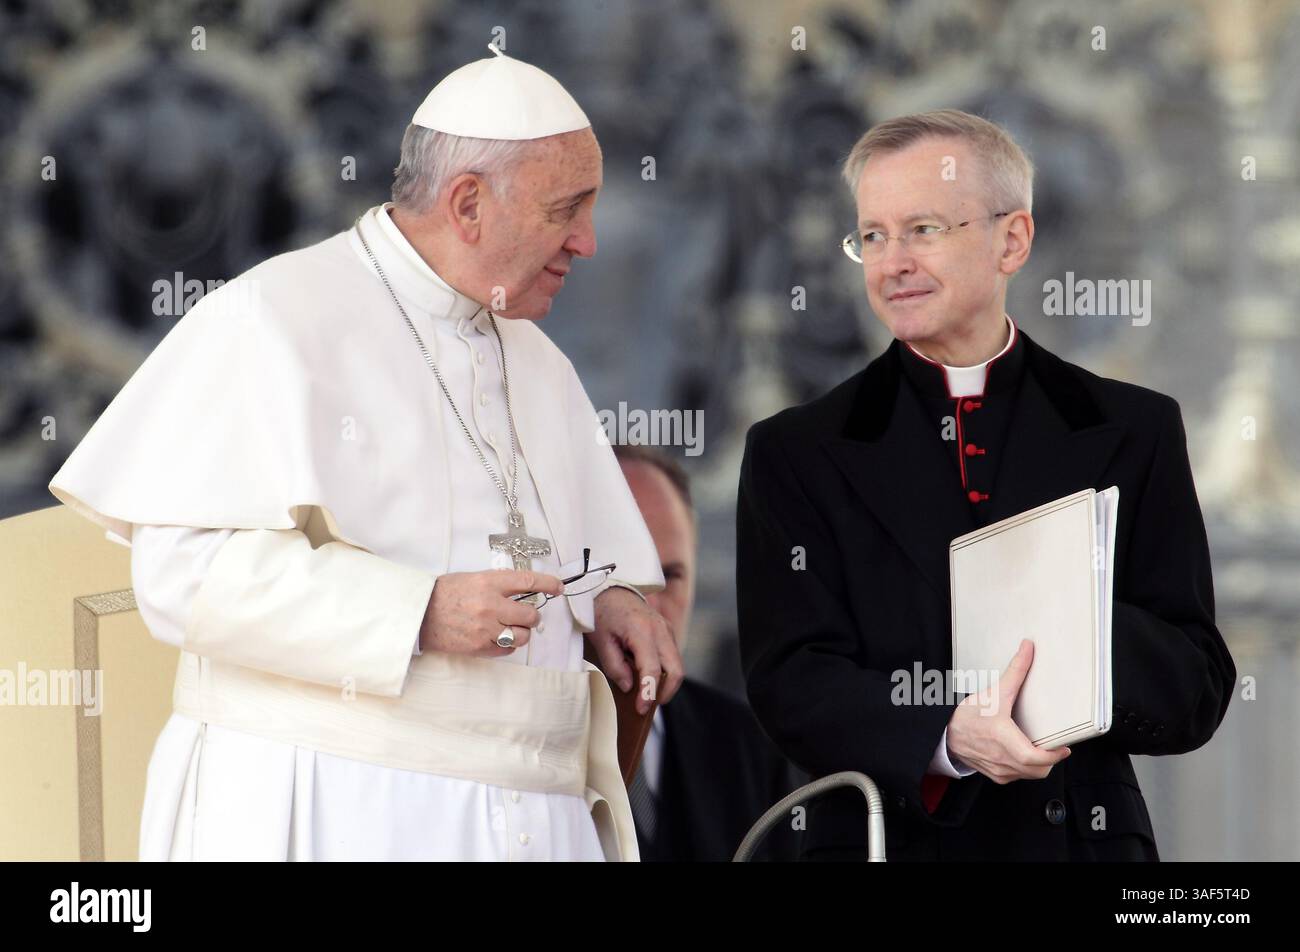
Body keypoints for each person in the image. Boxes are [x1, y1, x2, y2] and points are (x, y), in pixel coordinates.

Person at [47, 46, 683, 862]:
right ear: (468, 203)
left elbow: (584, 554)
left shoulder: (537, 361)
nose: (587, 242)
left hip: (530, 816)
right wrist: (417, 612)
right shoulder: (270, 320)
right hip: (337, 805)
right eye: (568, 210)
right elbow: (182, 578)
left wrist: (616, 599)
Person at [735, 109, 1235, 861]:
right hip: (891, 843)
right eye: (872, 235)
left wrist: (1077, 628)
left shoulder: (1132, 427)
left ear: (1013, 240)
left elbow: (1195, 684)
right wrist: (945, 736)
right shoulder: (796, 452)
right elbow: (791, 681)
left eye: (924, 229)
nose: (892, 261)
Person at [614, 444, 805, 861]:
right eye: (622, 581)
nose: (648, 611)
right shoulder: (519, 742)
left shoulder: (751, 750)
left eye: (669, 577)